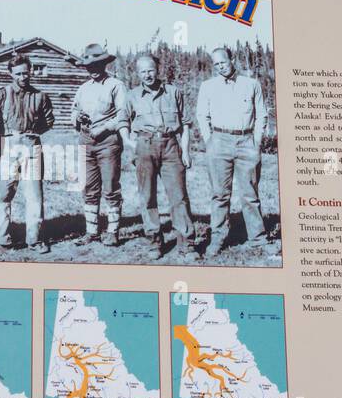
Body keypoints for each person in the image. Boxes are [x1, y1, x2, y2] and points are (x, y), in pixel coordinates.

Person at [196, 46, 269, 256]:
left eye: (223, 62)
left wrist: (256, 141)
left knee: (250, 193)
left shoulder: (251, 84)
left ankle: (258, 238)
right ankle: (218, 238)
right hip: (218, 142)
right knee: (220, 194)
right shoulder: (208, 86)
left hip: (247, 142)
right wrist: (210, 140)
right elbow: (202, 115)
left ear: (232, 59)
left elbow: (261, 114)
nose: (220, 67)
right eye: (216, 64)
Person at [125, 54, 196, 261]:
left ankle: (187, 244)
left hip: (171, 146)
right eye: (143, 71)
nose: (147, 75)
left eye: (151, 70)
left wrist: (186, 151)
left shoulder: (173, 92)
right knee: (147, 197)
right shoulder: (132, 96)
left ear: (158, 70)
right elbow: (122, 123)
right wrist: (131, 145)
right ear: (137, 73)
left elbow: (185, 124)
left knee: (179, 196)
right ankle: (154, 242)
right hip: (144, 146)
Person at [0, 54, 55, 253]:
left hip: (31, 145)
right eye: (18, 74)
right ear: (10, 73)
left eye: (25, 73)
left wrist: (33, 133)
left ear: (30, 72)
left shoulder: (40, 96)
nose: (22, 77)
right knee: (3, 195)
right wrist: (2, 133)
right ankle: (4, 240)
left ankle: (34, 239)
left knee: (34, 195)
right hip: (8, 145)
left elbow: (49, 121)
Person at [70, 44, 130, 247]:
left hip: (108, 142)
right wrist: (77, 117)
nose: (92, 69)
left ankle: (113, 231)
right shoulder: (83, 88)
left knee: (110, 187)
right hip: (85, 141)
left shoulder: (116, 85)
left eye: (96, 65)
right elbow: (73, 111)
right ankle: (92, 231)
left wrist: (104, 128)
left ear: (104, 64)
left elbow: (124, 114)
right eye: (89, 66)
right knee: (88, 187)